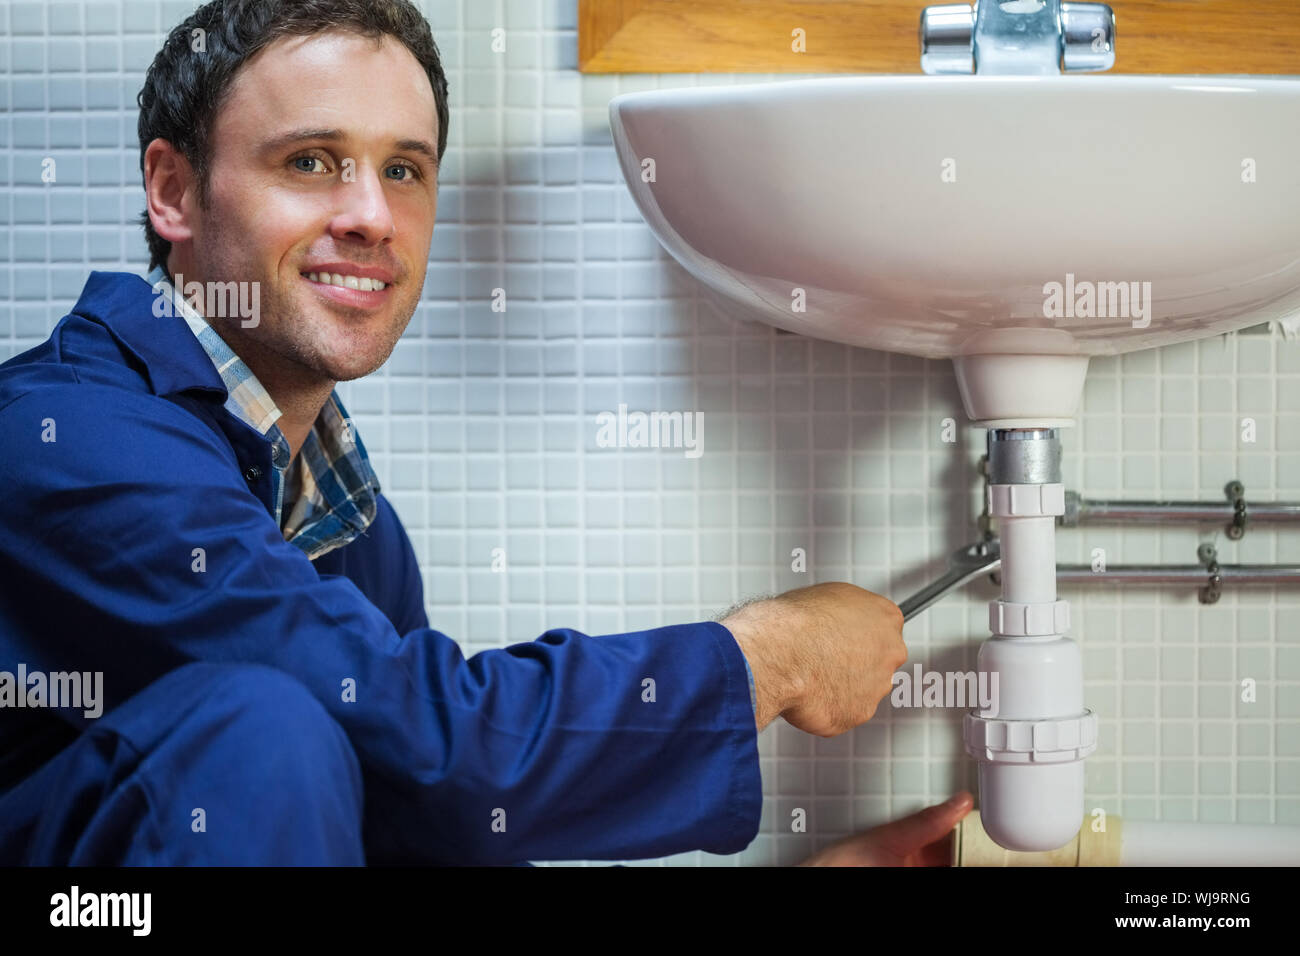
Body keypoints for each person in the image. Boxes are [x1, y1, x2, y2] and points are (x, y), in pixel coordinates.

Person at [0, 0, 962, 866]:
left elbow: (438, 818)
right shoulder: (70, 440)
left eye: (405, 170)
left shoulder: (342, 519)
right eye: (309, 161)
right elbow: (447, 745)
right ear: (172, 191)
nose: (373, 216)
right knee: (268, 729)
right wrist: (769, 654)